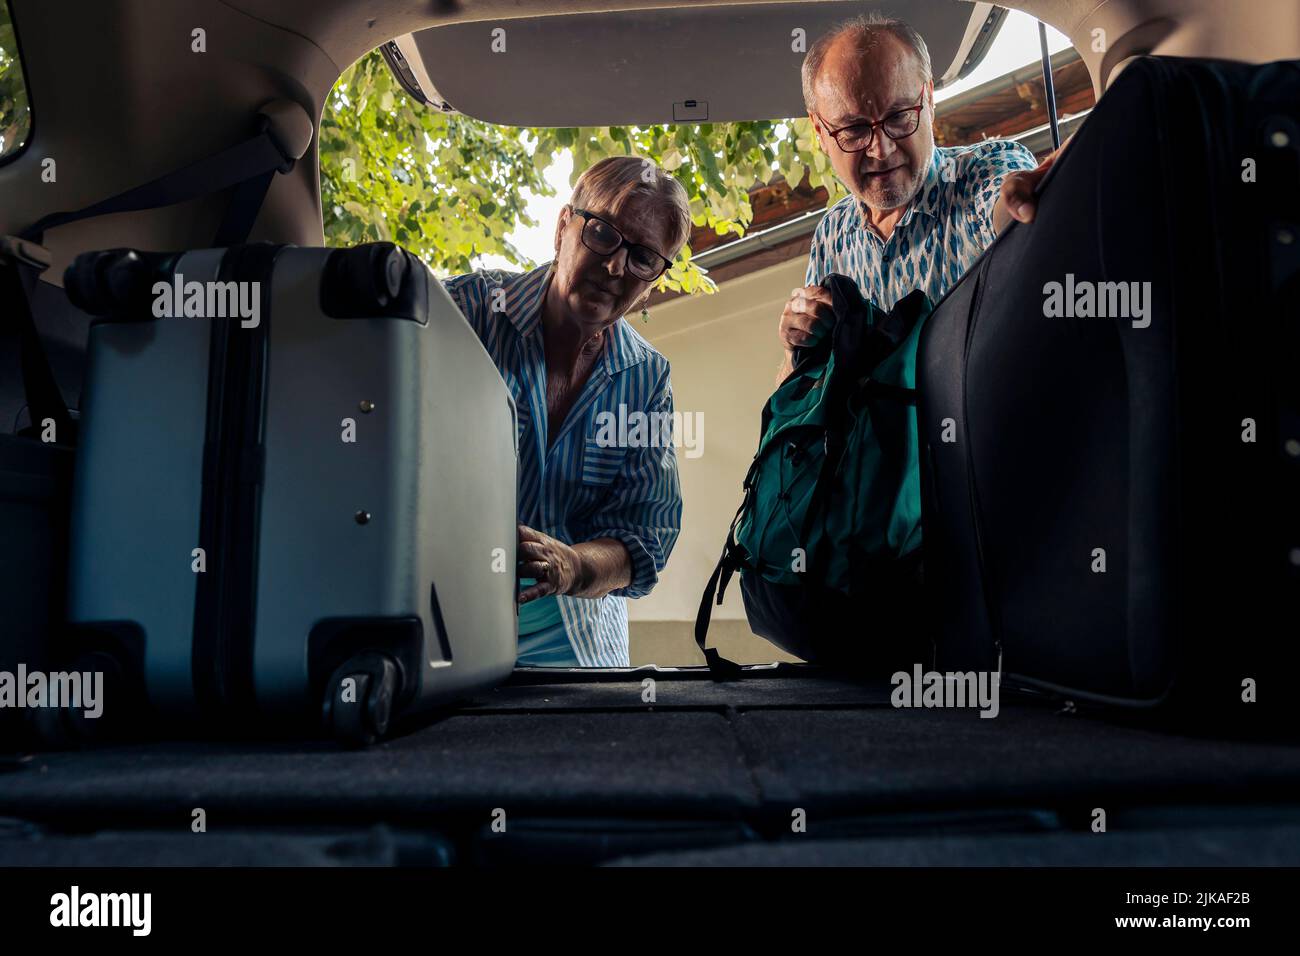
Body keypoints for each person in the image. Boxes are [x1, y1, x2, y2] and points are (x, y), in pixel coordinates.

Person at [444, 156, 688, 667]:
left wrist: (572, 565)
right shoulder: (467, 312)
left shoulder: (646, 379)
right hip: (445, 614)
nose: (616, 266)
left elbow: (643, 538)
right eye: (603, 234)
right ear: (563, 226)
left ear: (654, 280)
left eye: (643, 258)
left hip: (575, 639)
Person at [778, 12, 1063, 382]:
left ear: (928, 100)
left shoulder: (981, 172)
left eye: (898, 116)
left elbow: (1007, 204)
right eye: (853, 129)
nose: (881, 150)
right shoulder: (831, 235)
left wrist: (1041, 197)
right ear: (819, 130)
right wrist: (796, 345)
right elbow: (806, 398)